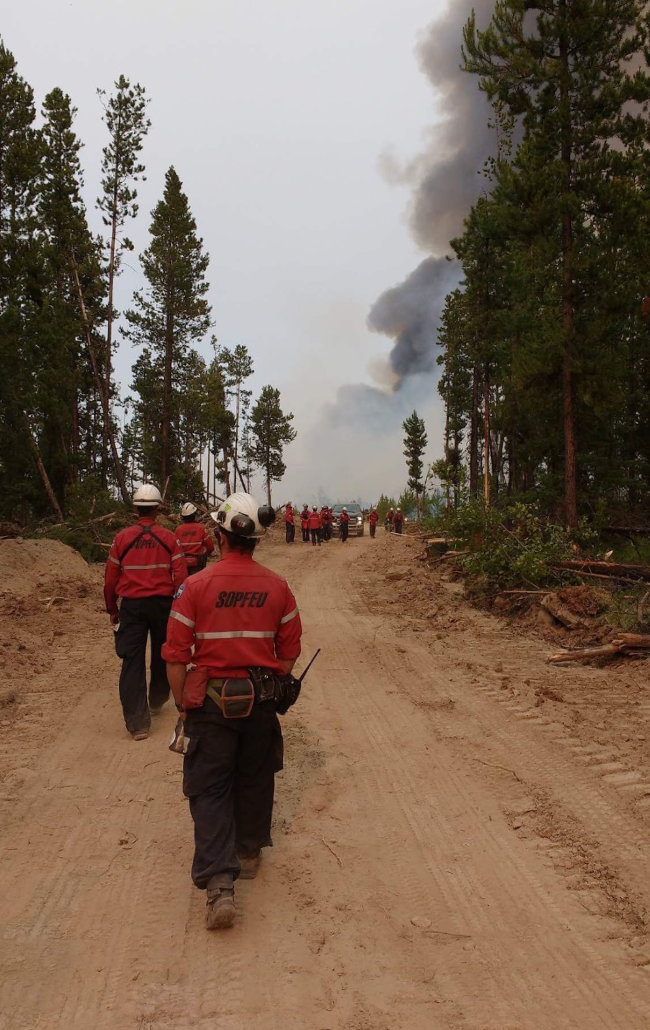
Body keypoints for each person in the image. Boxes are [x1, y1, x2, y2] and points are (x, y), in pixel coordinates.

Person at [162, 492, 302, 931]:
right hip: (260, 704)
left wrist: (186, 706)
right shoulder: (278, 587)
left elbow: (174, 656)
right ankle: (248, 850)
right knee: (255, 775)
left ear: (220, 536)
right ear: (256, 540)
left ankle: (221, 884)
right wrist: (267, 680)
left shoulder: (194, 587)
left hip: (210, 704)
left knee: (209, 788)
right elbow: (289, 654)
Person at [104, 484, 188, 740]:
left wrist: (112, 608)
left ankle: (138, 724)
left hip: (132, 606)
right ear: (158, 508)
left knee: (132, 662)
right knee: (164, 654)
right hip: (163, 604)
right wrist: (178, 605)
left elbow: (110, 579)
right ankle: (157, 698)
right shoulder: (169, 538)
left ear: (135, 509)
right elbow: (181, 575)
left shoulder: (122, 539)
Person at [176, 502, 215, 575]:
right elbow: (210, 547)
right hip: (199, 562)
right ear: (194, 515)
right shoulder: (201, 528)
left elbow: (175, 548)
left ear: (183, 517)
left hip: (183, 561)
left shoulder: (178, 530)